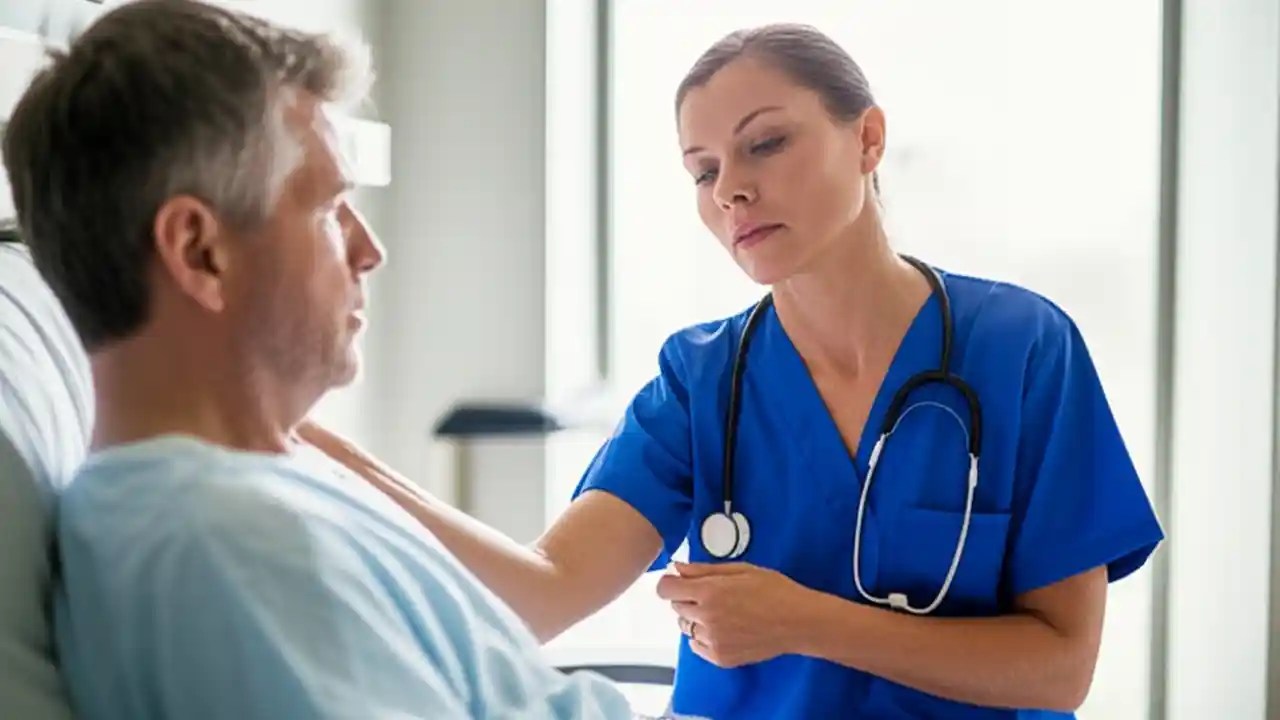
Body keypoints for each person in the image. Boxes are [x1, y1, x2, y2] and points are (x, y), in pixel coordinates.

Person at [304, 22, 1166, 719]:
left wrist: (801, 620)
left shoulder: (1020, 349)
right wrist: (305, 442)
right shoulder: (700, 382)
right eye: (704, 170)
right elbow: (538, 598)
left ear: (866, 138)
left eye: (767, 145)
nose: (731, 192)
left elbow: (1058, 670)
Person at [2, 2, 681, 718]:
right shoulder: (225, 545)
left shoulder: (265, 491)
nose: (369, 251)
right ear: (200, 251)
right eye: (329, 209)